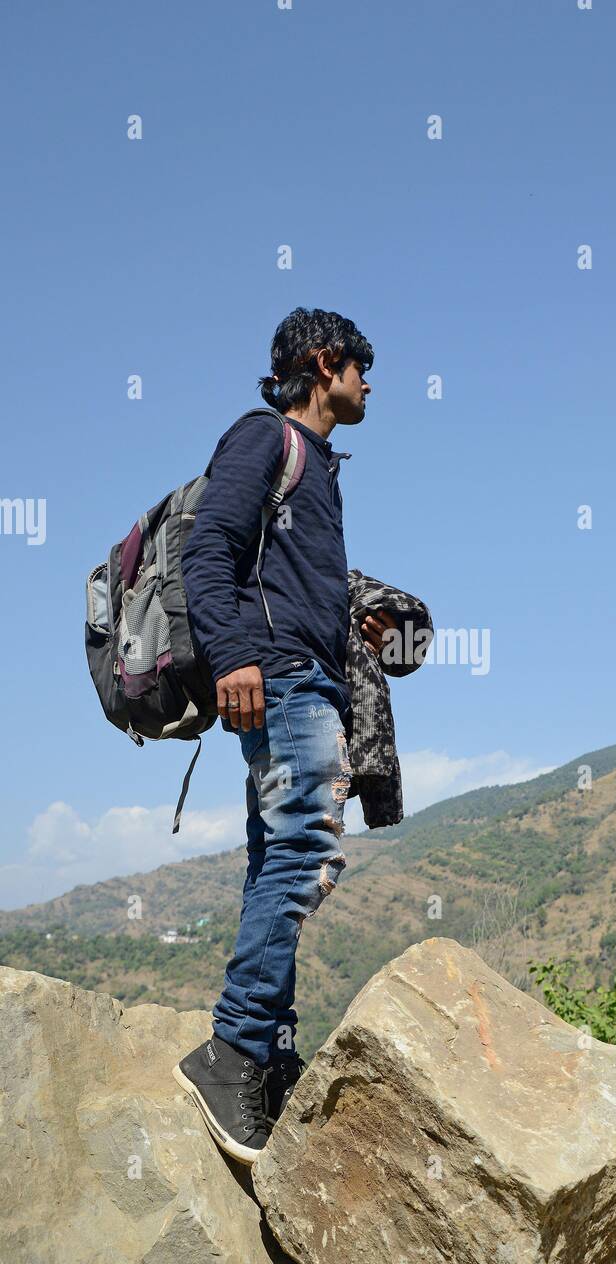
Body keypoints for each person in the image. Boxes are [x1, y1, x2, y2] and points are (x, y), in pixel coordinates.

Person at [173, 307, 397, 1164]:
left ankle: (266, 1056)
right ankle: (231, 1049)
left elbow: (288, 579)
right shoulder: (263, 438)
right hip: (277, 679)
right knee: (307, 851)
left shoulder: (324, 471)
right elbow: (208, 552)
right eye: (361, 369)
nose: (368, 384)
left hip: (306, 676)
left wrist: (358, 620)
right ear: (324, 362)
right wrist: (233, 658)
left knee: (277, 858)